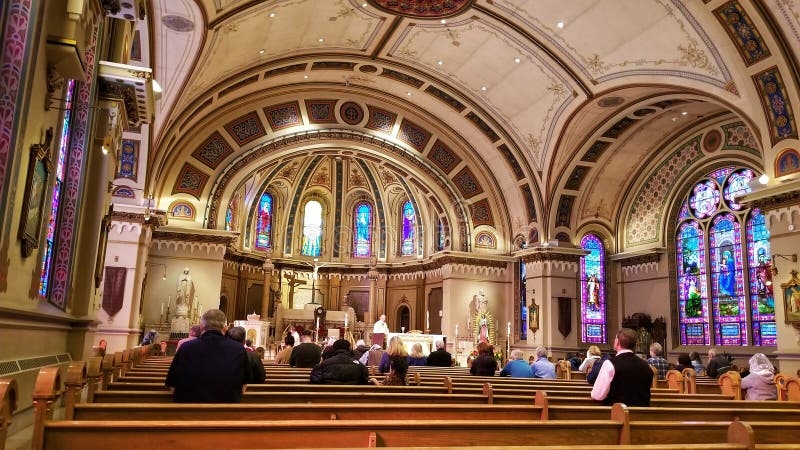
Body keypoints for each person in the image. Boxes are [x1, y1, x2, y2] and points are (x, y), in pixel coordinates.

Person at [165, 309, 249, 403]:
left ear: (201, 327)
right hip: (226, 413)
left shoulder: (186, 347)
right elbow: (243, 387)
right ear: (225, 328)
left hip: (188, 413)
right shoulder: (239, 350)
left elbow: (172, 385)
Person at [591, 328, 654, 406]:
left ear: (617, 342)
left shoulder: (610, 364)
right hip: (642, 416)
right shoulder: (647, 367)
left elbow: (597, 395)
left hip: (616, 414)